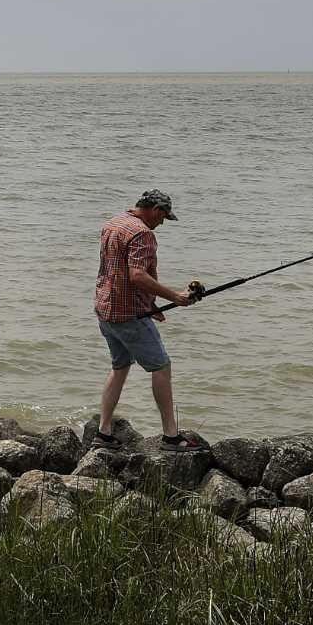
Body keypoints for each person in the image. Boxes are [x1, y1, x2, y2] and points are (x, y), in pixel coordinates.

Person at [92, 189, 205, 451]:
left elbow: (116, 272)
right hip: (129, 315)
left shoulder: (114, 223)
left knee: (120, 366)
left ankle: (104, 432)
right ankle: (171, 436)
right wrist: (175, 297)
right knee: (161, 367)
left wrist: (152, 304)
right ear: (156, 210)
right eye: (164, 217)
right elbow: (137, 276)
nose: (162, 223)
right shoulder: (142, 233)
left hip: (106, 309)